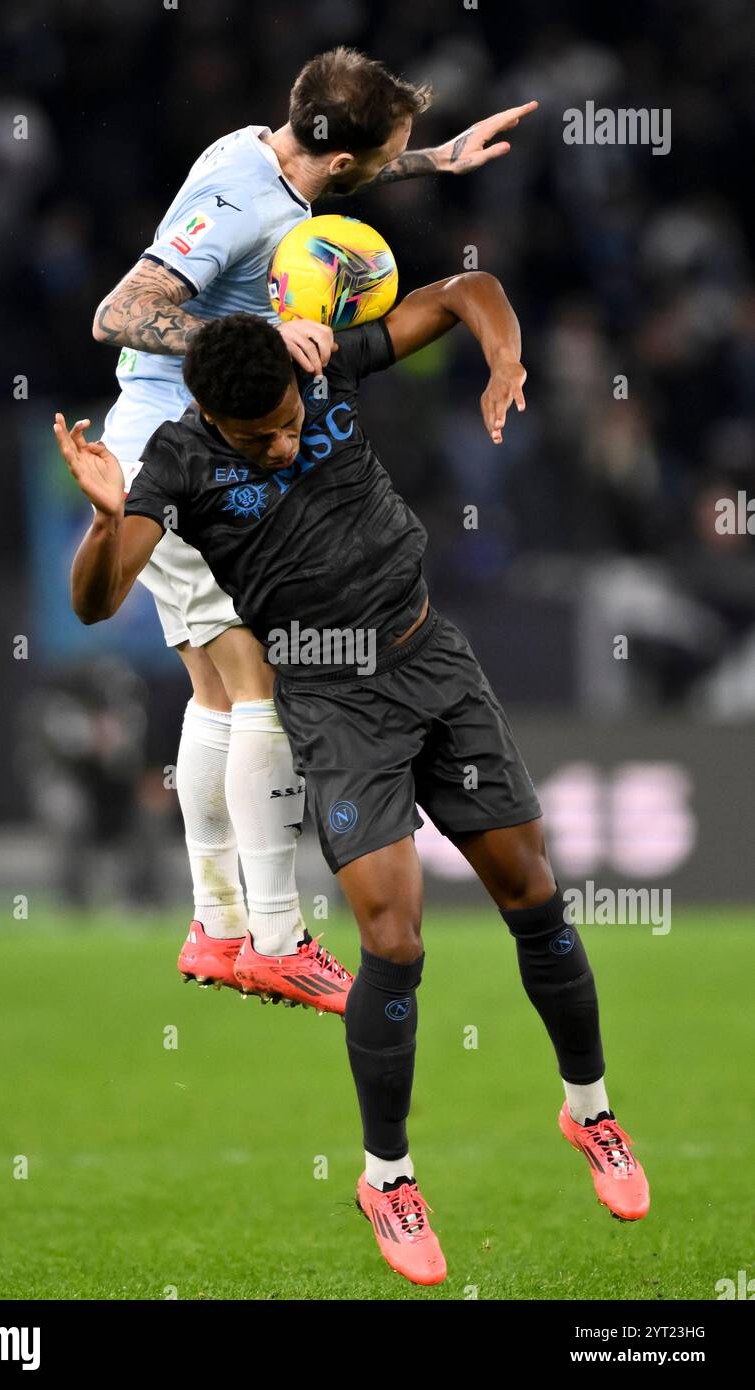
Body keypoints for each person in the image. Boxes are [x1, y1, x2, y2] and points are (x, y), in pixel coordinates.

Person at [55, 267, 649, 1288]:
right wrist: (109, 522)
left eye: (289, 424)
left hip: (429, 659)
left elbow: (467, 288)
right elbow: (93, 607)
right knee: (392, 933)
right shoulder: (177, 460)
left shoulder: (317, 365)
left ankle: (588, 1110)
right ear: (207, 417)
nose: (284, 443)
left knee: (533, 896)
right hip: (330, 703)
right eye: (262, 440)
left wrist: (502, 355)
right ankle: (387, 1177)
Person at [89, 43, 538, 1000]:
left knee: (215, 685)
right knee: (262, 682)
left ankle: (216, 928)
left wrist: (440, 158)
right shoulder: (250, 205)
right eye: (389, 157)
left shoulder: (256, 151)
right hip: (182, 451)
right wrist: (250, 340)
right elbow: (119, 312)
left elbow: (346, 163)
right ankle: (278, 937)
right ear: (343, 162)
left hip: (163, 443)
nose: (391, 170)